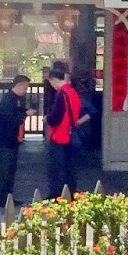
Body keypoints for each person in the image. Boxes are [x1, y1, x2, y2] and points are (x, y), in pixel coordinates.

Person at [0, 74, 29, 208]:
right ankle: (1, 199)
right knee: (4, 170)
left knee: (11, 170)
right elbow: (10, 119)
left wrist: (24, 111)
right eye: (25, 87)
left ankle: (9, 197)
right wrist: (24, 114)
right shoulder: (8, 99)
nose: (26, 91)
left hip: (12, 140)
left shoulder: (16, 99)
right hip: (5, 141)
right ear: (19, 85)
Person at [44, 67, 81, 199]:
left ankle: (56, 195)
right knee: (70, 169)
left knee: (57, 169)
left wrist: (47, 119)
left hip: (60, 136)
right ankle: (71, 194)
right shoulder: (73, 93)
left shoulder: (61, 94)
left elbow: (55, 119)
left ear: (53, 80)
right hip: (71, 134)